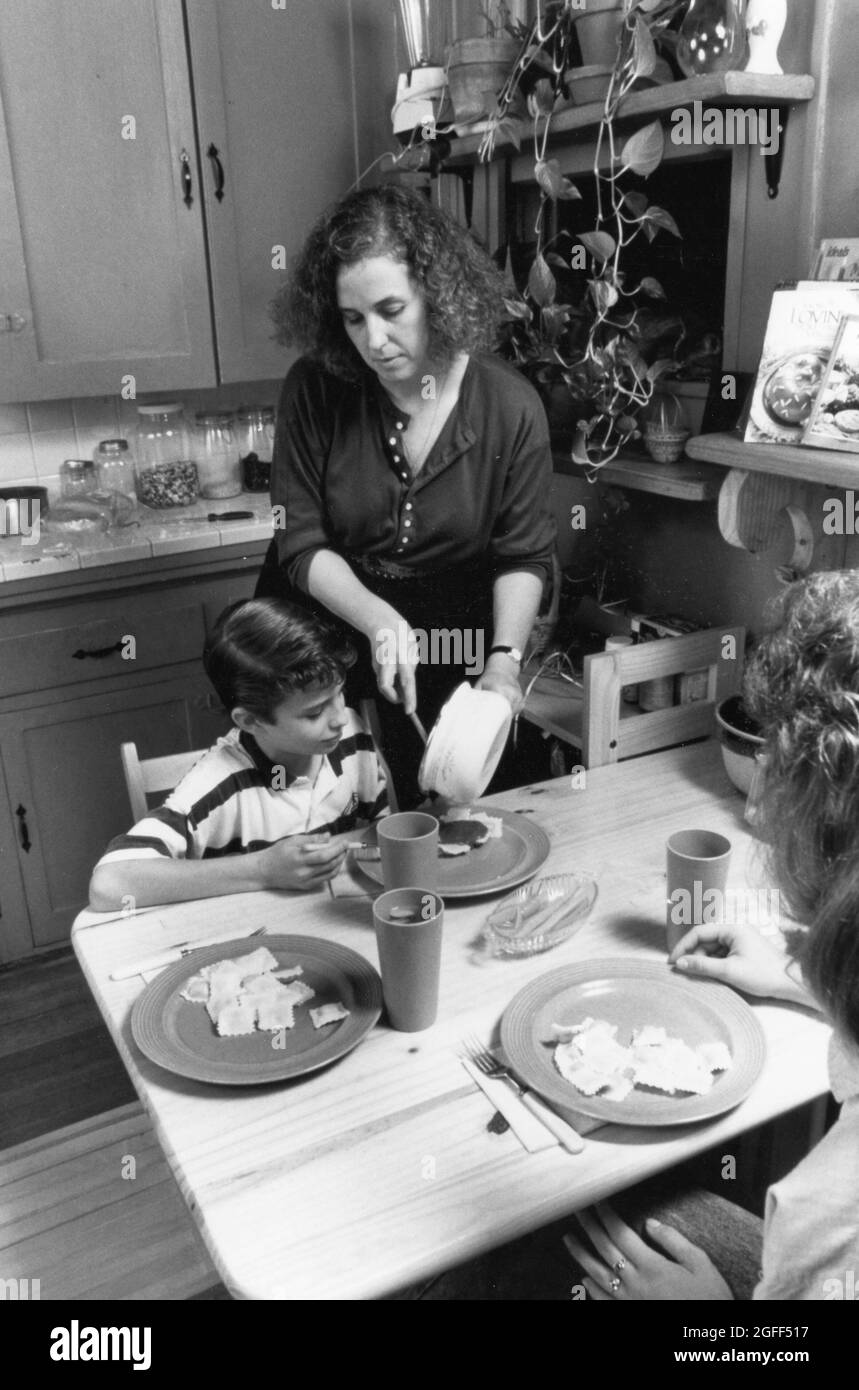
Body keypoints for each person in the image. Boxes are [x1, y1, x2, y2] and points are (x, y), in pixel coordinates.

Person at [562, 570, 859, 1301]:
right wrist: (796, 982)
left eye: (775, 772)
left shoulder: (830, 1218)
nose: (758, 807)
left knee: (569, 1231)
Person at [255, 183, 556, 806]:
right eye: (353, 318)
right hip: (324, 611)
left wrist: (502, 660)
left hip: (452, 620)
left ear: (437, 295)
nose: (373, 340)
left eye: (392, 310)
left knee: (450, 790)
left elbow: (522, 556)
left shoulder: (510, 404)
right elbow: (300, 541)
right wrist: (377, 618)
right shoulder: (313, 388)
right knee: (315, 804)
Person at [88, 598, 388, 912]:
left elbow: (383, 830)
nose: (340, 717)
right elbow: (109, 885)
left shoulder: (351, 734)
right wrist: (262, 870)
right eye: (314, 714)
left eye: (339, 694)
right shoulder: (221, 781)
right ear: (250, 721)